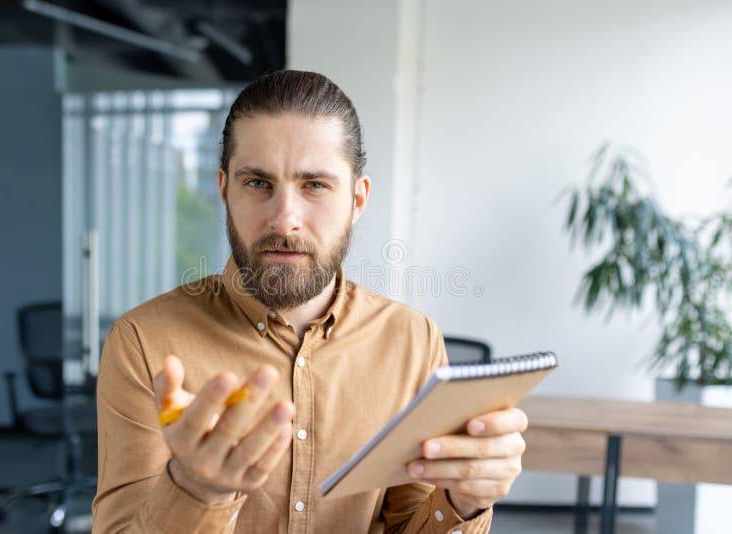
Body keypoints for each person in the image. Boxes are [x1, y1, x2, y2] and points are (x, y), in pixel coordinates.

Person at [92, 70, 528, 533]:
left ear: (357, 200)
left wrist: (463, 501)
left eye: (315, 185)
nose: (285, 219)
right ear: (224, 189)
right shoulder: (143, 342)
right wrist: (197, 492)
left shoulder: (413, 341)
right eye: (258, 183)